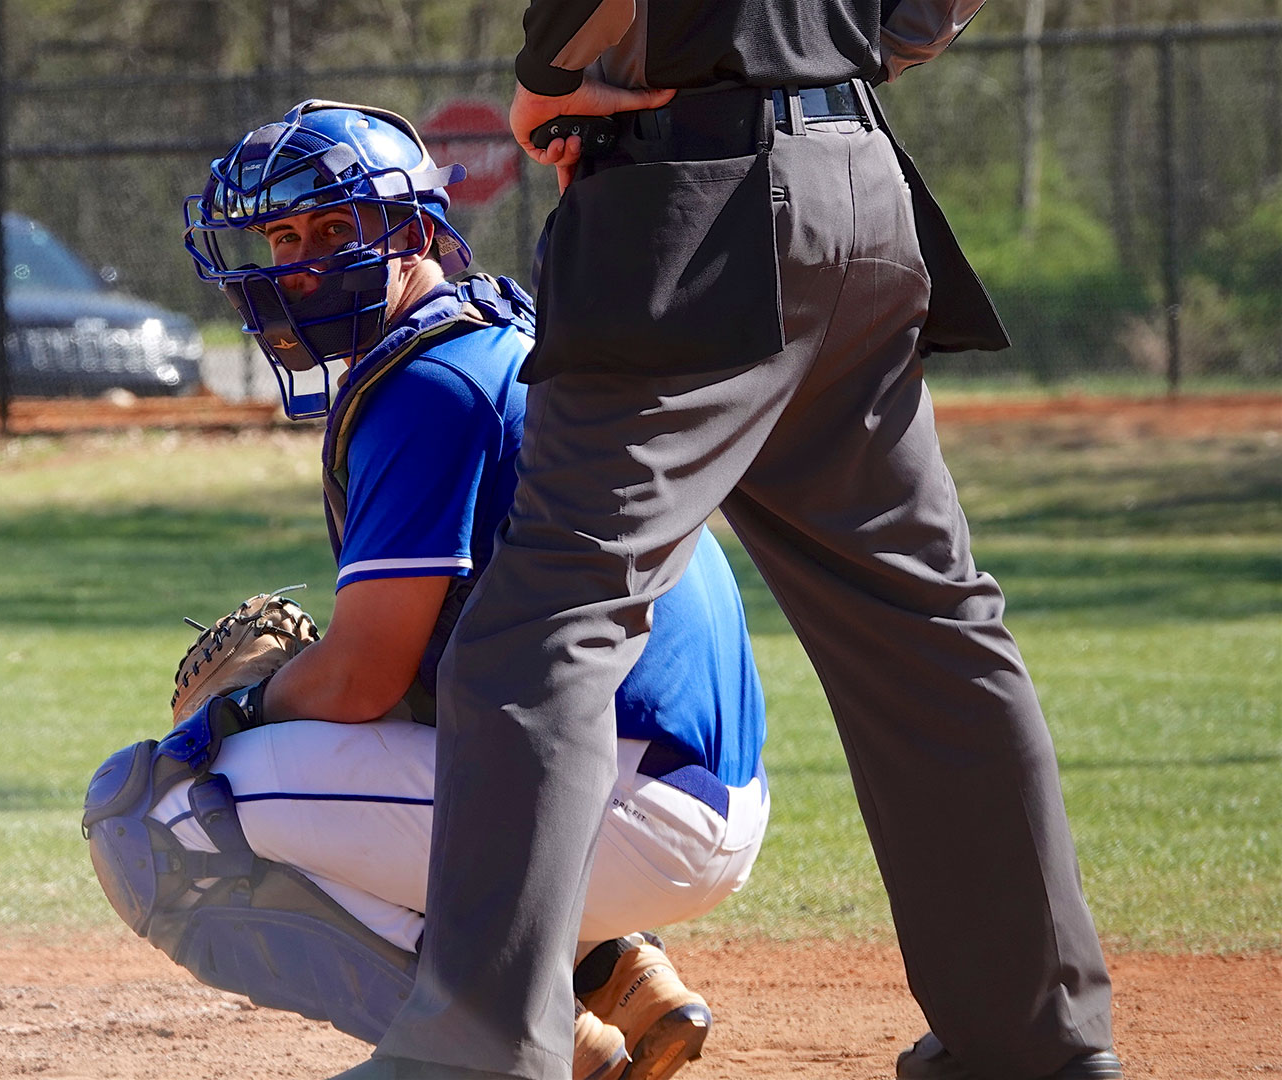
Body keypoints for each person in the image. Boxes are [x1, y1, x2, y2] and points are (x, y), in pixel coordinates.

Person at [337, 4, 1123, 1080]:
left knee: (546, 625)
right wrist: (843, 53)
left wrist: (546, 75)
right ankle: (1035, 1043)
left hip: (689, 198)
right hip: (860, 189)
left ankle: (474, 1049)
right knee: (931, 631)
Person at [83, 101, 770, 1080]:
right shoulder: (504, 328)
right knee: (401, 746)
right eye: (284, 236)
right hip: (681, 782)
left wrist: (240, 709)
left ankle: (482, 1047)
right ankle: (619, 978)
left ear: (411, 232)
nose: (301, 263)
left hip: (624, 805)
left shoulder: (426, 384)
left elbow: (364, 677)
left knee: (157, 813)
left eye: (333, 229)